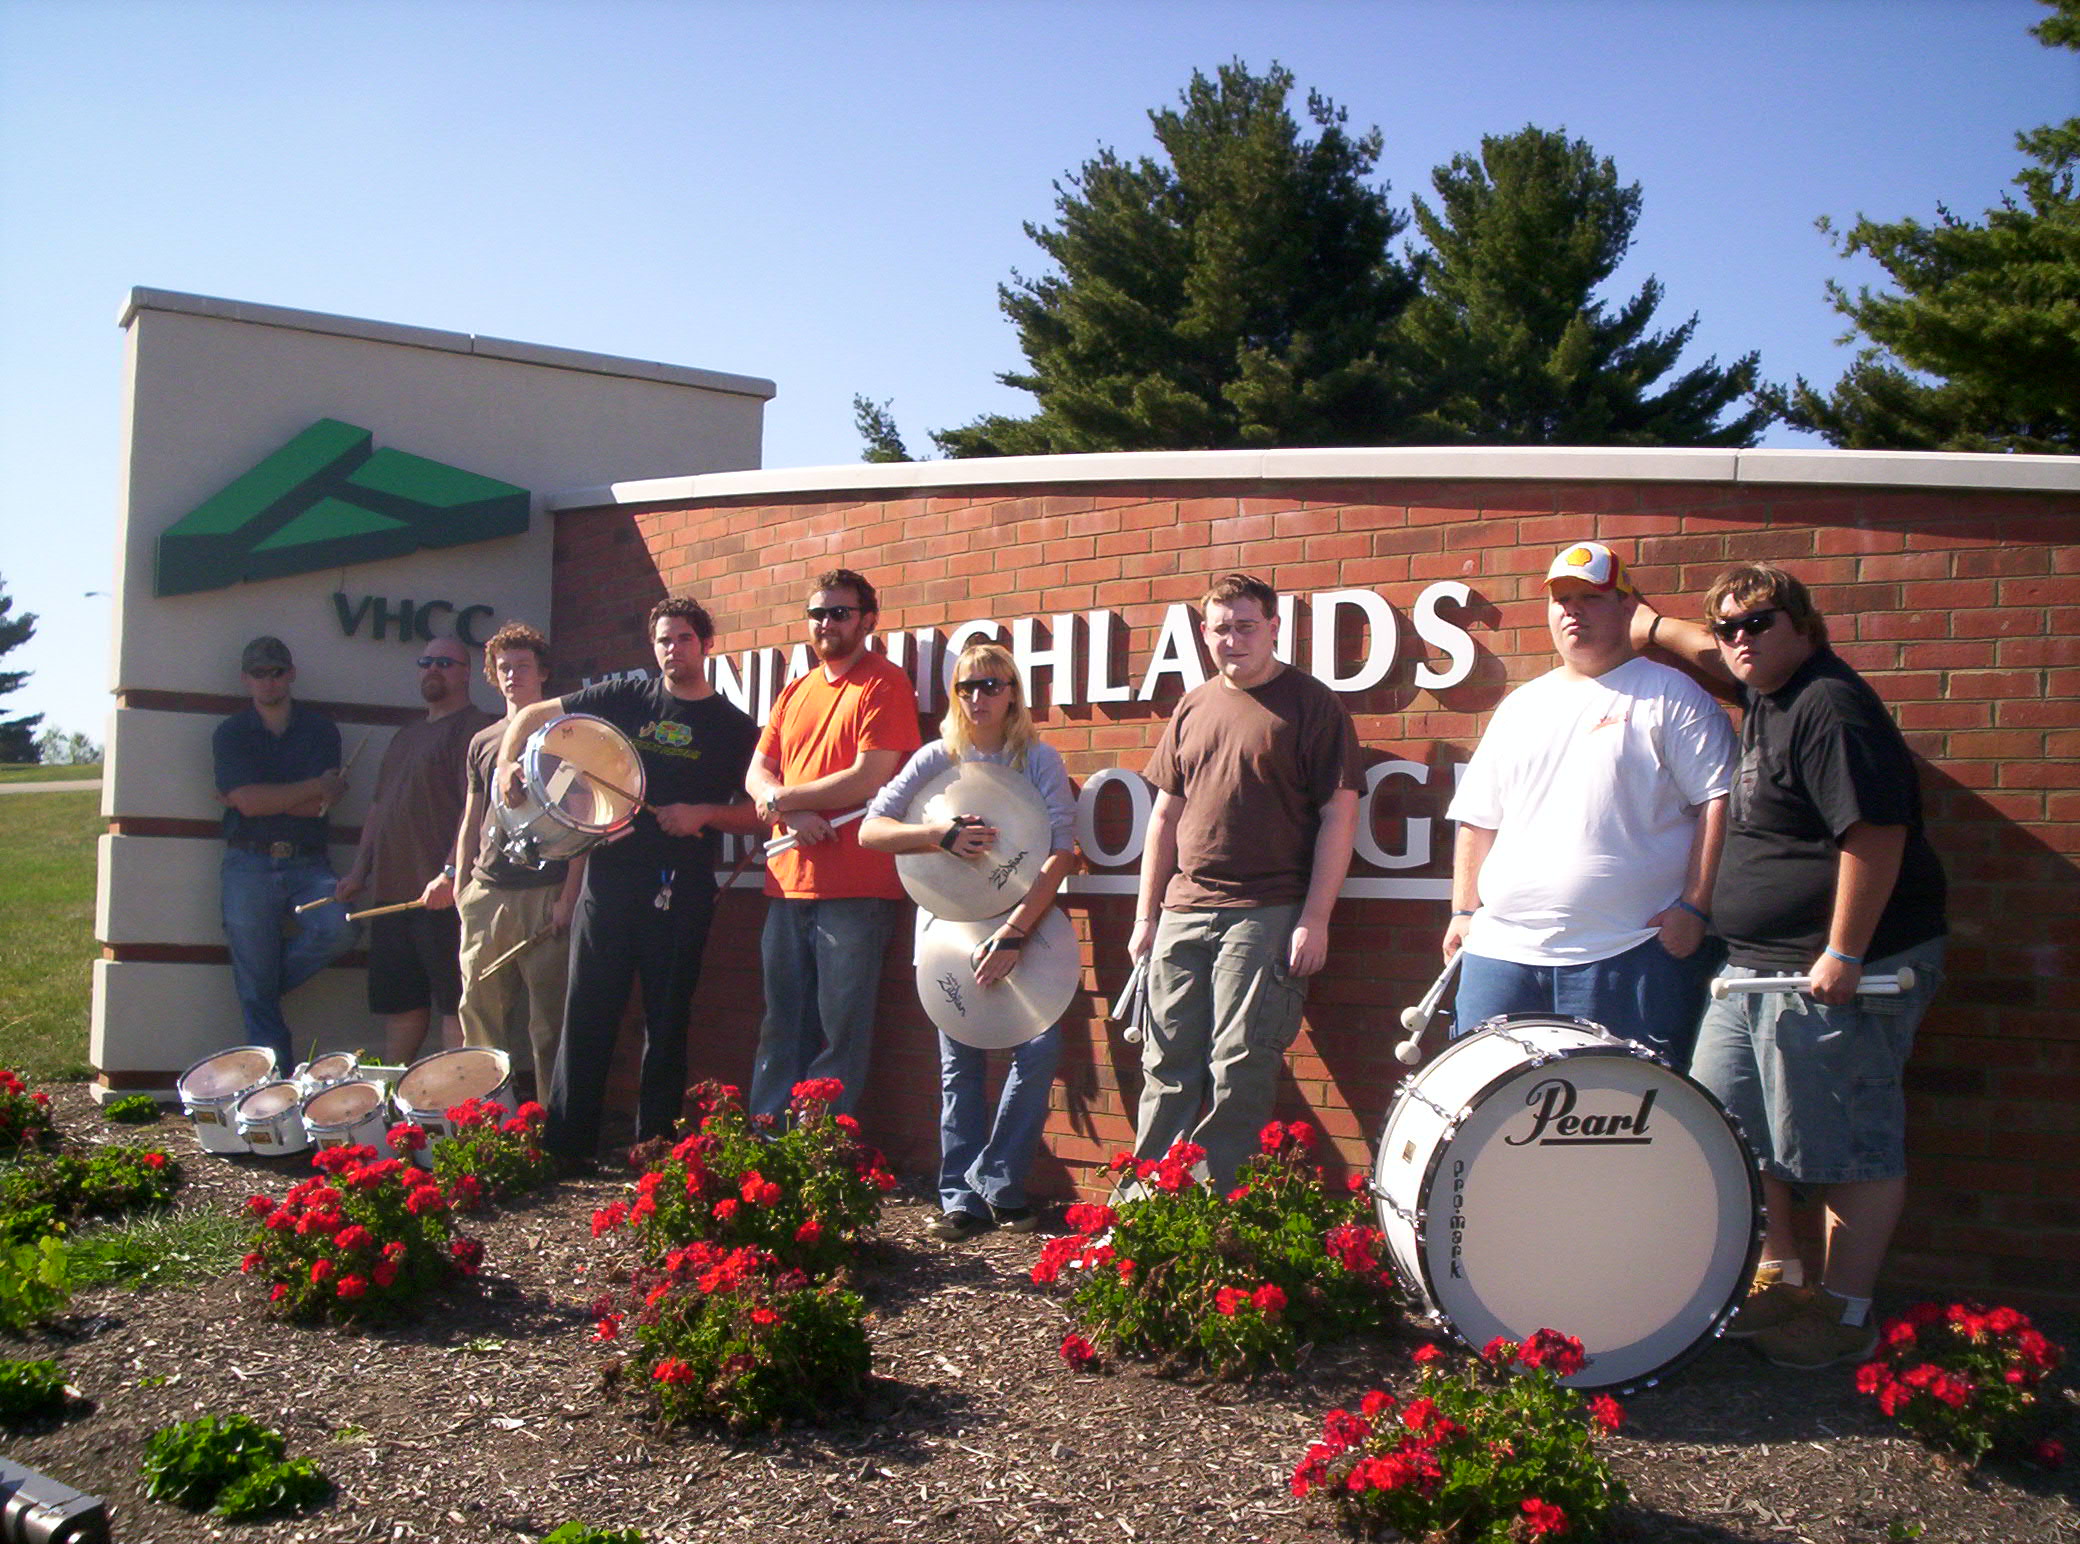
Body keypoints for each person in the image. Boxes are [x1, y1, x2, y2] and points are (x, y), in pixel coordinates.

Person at [1643, 563, 1947, 1369]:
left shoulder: (1829, 707)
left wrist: (1844, 952)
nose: (1740, 639)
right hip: (1754, 970)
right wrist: (1643, 627)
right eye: (1728, 627)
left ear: (1805, 627)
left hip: (1838, 973)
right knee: (1734, 1125)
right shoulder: (1770, 694)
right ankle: (1782, 1281)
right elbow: (1710, 651)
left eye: (1759, 622)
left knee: (1849, 1145)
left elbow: (1875, 834)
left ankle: (1847, 1315)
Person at [1441, 541, 1736, 1065]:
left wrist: (1695, 906)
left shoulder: (1672, 695)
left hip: (1629, 954)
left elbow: (1719, 800)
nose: (1572, 610)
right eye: (1561, 599)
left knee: (1624, 1121)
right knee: (1486, 1117)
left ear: (1628, 608)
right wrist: (1464, 910)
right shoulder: (1521, 706)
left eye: (1591, 597)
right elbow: (1477, 818)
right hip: (1501, 956)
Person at [497, 596, 761, 1165]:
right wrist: (508, 767)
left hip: (682, 886)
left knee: (666, 1024)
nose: (673, 649)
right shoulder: (624, 697)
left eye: (684, 639)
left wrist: (703, 813)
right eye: (664, 640)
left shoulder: (734, 728)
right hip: (608, 879)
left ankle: (656, 1155)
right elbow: (527, 718)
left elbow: (764, 811)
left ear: (706, 644)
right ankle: (567, 1151)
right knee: (586, 1014)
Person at [1127, 573, 1363, 1192]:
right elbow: (1164, 816)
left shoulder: (1312, 705)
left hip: (1266, 911)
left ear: (1275, 627)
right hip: (1183, 910)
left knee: (1239, 1065)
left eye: (1246, 626)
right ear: (1205, 634)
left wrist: (1316, 918)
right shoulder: (1193, 705)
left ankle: (1212, 1208)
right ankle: (1143, 1211)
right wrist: (1145, 916)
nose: (1233, 639)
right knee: (1166, 1063)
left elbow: (1340, 814)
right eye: (1221, 628)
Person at [861, 642, 1078, 1241]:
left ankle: (998, 1182)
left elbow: (1061, 852)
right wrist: (937, 835)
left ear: (1013, 692)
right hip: (948, 928)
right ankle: (961, 1196)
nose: (978, 697)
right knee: (960, 1064)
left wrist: (1014, 933)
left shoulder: (1037, 760)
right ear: (955, 695)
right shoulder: (937, 757)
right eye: (967, 687)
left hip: (1023, 926)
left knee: (1036, 1051)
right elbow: (870, 830)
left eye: (991, 684)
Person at [744, 568, 921, 1121]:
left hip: (857, 889)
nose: (827, 623)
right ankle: (769, 1141)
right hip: (788, 884)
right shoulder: (795, 691)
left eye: (840, 613)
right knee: (782, 1023)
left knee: (840, 1029)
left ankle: (817, 1151)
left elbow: (874, 775)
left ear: (868, 620)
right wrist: (787, 806)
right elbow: (756, 773)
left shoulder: (884, 683)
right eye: (818, 613)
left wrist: (786, 799)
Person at [337, 636, 494, 1065]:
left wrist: (448, 872)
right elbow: (378, 808)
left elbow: (476, 810)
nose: (433, 669)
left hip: (444, 897)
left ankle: (455, 1109)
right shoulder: (405, 736)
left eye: (444, 662)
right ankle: (394, 1098)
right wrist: (358, 872)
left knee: (454, 1002)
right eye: (426, 662)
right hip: (392, 894)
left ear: (466, 672)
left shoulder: (475, 729)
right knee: (402, 1004)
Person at [451, 622, 586, 1104]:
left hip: (546, 892)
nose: (512, 676)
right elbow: (471, 816)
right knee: (480, 1016)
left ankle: (553, 1124)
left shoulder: (564, 736)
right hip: (487, 893)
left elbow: (584, 822)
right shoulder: (482, 741)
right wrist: (461, 882)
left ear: (542, 673)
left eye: (522, 667)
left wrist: (570, 897)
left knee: (548, 1022)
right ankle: (482, 1122)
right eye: (503, 668)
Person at [211, 636, 354, 1066]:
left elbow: (317, 809)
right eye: (259, 673)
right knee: (255, 988)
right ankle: (274, 1088)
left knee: (341, 928)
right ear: (245, 679)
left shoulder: (321, 730)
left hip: (309, 860)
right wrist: (312, 787)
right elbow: (254, 802)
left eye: (276, 672)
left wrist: (261, 797)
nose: (269, 681)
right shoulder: (231, 733)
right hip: (247, 861)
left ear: (290, 674)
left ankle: (261, 984)